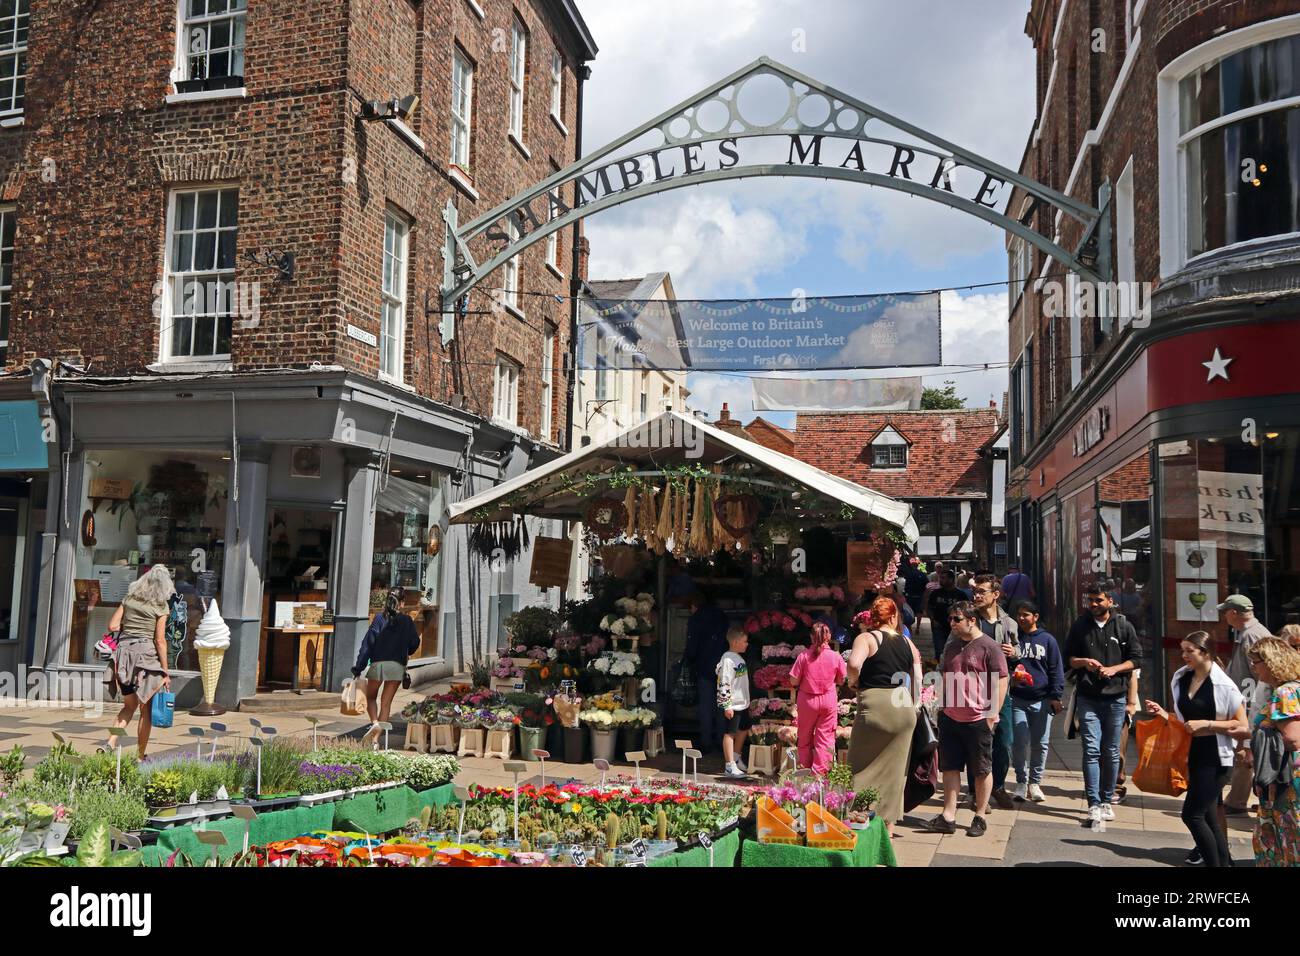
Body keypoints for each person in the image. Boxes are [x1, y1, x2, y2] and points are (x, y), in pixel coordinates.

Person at [1144, 631, 1246, 867]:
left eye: (1190, 650)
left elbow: (1242, 725)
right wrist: (1163, 713)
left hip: (1216, 757)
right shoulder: (1181, 679)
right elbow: (1185, 722)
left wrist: (1208, 724)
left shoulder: (1224, 685)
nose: (1184, 655)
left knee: (1192, 815)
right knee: (1209, 817)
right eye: (1182, 649)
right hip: (1193, 753)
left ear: (1206, 652)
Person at [922, 600, 1008, 836]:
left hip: (978, 718)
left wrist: (993, 714)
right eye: (950, 619)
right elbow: (944, 675)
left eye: (956, 619)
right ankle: (948, 816)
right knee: (950, 768)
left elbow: (1002, 679)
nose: (952, 623)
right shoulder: (951, 646)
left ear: (972, 620)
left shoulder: (989, 647)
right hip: (950, 717)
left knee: (981, 770)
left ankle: (979, 815)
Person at [1064, 580, 1138, 827]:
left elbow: (1135, 660)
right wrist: (1084, 662)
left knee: (1111, 751)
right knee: (1092, 750)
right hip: (1088, 697)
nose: (1094, 604)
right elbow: (1070, 659)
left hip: (1116, 697)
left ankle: (1107, 800)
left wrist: (1114, 669)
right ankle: (1094, 803)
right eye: (1091, 600)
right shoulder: (1080, 626)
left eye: (1099, 600)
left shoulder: (1124, 626)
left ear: (1110, 601)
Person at [847, 596, 921, 834]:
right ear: (893, 616)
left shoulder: (866, 638)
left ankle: (858, 818)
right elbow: (918, 677)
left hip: (875, 703)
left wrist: (853, 682)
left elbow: (853, 663)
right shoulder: (908, 644)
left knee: (859, 764)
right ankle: (888, 826)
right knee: (896, 771)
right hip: (903, 704)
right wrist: (916, 704)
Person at [103, 565, 175, 759]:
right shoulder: (160, 605)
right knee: (146, 710)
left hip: (123, 657)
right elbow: (160, 640)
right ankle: (140, 755)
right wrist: (165, 672)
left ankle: (110, 742)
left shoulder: (129, 599)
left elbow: (112, 626)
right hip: (146, 659)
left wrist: (130, 625)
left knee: (128, 706)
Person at [1245, 638, 1300, 867]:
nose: (1253, 667)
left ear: (1270, 662)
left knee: (1288, 839)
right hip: (1286, 777)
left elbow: (1293, 738)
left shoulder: (1285, 692)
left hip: (1286, 779)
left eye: (1255, 662)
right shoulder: (1295, 687)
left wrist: (1264, 736)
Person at [1221, 593, 1273, 815]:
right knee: (1244, 751)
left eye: (1226, 612)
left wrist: (1254, 704)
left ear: (1234, 613)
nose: (1224, 616)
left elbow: (1262, 673)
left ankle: (1237, 801)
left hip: (1253, 702)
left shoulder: (1253, 635)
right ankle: (1239, 798)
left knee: (1245, 751)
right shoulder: (1247, 633)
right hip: (1248, 700)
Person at [970, 573, 1018, 810]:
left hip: (1000, 690)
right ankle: (977, 794)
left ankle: (997, 786)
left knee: (1003, 741)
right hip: (972, 691)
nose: (977, 595)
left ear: (995, 595)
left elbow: (1019, 651)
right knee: (976, 742)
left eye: (982, 592)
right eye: (976, 591)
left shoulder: (1009, 623)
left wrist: (1014, 652)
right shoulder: (968, 620)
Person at [1010, 601, 1064, 802]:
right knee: (1018, 742)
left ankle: (1035, 782)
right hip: (1018, 698)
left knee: (1040, 743)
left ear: (1036, 617)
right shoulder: (1014, 639)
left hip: (1042, 700)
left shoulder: (1047, 640)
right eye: (1019, 615)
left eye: (1026, 614)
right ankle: (1021, 782)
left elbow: (1056, 670)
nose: (1022, 618)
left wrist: (1056, 696)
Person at [352, 587, 421, 745]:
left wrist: (358, 668)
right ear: (402, 603)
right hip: (397, 666)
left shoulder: (379, 619)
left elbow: (367, 645)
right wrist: (406, 649)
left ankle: (374, 724)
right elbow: (415, 643)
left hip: (378, 664)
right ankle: (376, 739)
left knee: (370, 697)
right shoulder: (406, 620)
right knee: (386, 703)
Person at [790, 620, 847, 775]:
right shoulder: (835, 656)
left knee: (804, 736)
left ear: (811, 637)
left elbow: (793, 680)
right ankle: (820, 774)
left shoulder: (803, 656)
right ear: (828, 637)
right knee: (825, 737)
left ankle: (805, 769)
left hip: (807, 701)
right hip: (828, 700)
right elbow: (842, 680)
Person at [680, 591, 730, 754]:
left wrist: (688, 659)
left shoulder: (696, 619)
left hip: (704, 666)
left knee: (706, 706)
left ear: (694, 605)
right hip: (723, 666)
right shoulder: (721, 615)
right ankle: (722, 741)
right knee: (722, 705)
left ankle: (706, 741)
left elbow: (692, 646)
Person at [716, 625, 752, 778]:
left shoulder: (738, 658)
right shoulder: (728, 659)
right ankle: (729, 765)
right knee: (730, 733)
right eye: (744, 641)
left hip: (742, 703)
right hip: (733, 704)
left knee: (743, 729)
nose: (746, 644)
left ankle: (736, 758)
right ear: (736, 642)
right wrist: (726, 705)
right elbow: (724, 681)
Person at [923, 568, 969, 660]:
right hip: (938, 625)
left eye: (943, 578)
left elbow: (967, 610)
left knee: (955, 650)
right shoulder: (936, 593)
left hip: (955, 627)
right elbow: (929, 607)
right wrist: (932, 619)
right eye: (940, 578)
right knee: (939, 651)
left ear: (951, 579)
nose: (941, 580)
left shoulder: (960, 594)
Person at [901, 556, 929, 622]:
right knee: (919, 612)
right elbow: (926, 585)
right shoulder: (922, 574)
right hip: (919, 596)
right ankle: (918, 627)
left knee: (909, 611)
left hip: (910, 596)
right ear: (917, 566)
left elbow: (906, 586)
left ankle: (910, 625)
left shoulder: (908, 574)